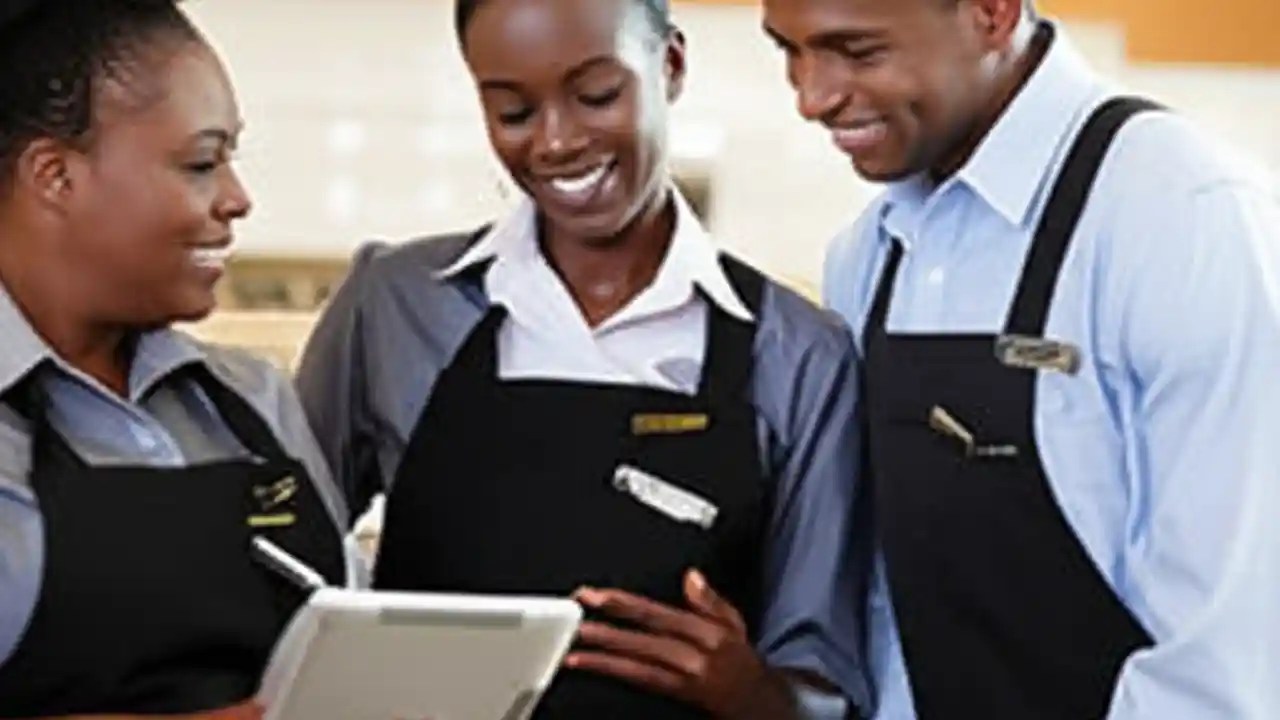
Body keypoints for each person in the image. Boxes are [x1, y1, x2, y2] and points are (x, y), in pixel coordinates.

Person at [295, 0, 870, 717]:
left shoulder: (797, 354)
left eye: (597, 95)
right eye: (512, 112)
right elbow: (277, 564)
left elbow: (823, 677)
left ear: (671, 65)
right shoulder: (392, 306)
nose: (557, 142)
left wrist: (756, 693)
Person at [761, 0, 1280, 717]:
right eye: (789, 51)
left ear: (991, 12)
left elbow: (1229, 651)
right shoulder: (866, 253)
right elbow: (889, 621)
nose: (812, 96)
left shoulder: (1182, 214)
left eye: (858, 51)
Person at [0, 1, 350, 717]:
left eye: (230, 159)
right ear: (55, 176)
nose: (237, 198)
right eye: (201, 162)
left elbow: (351, 634)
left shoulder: (252, 398)